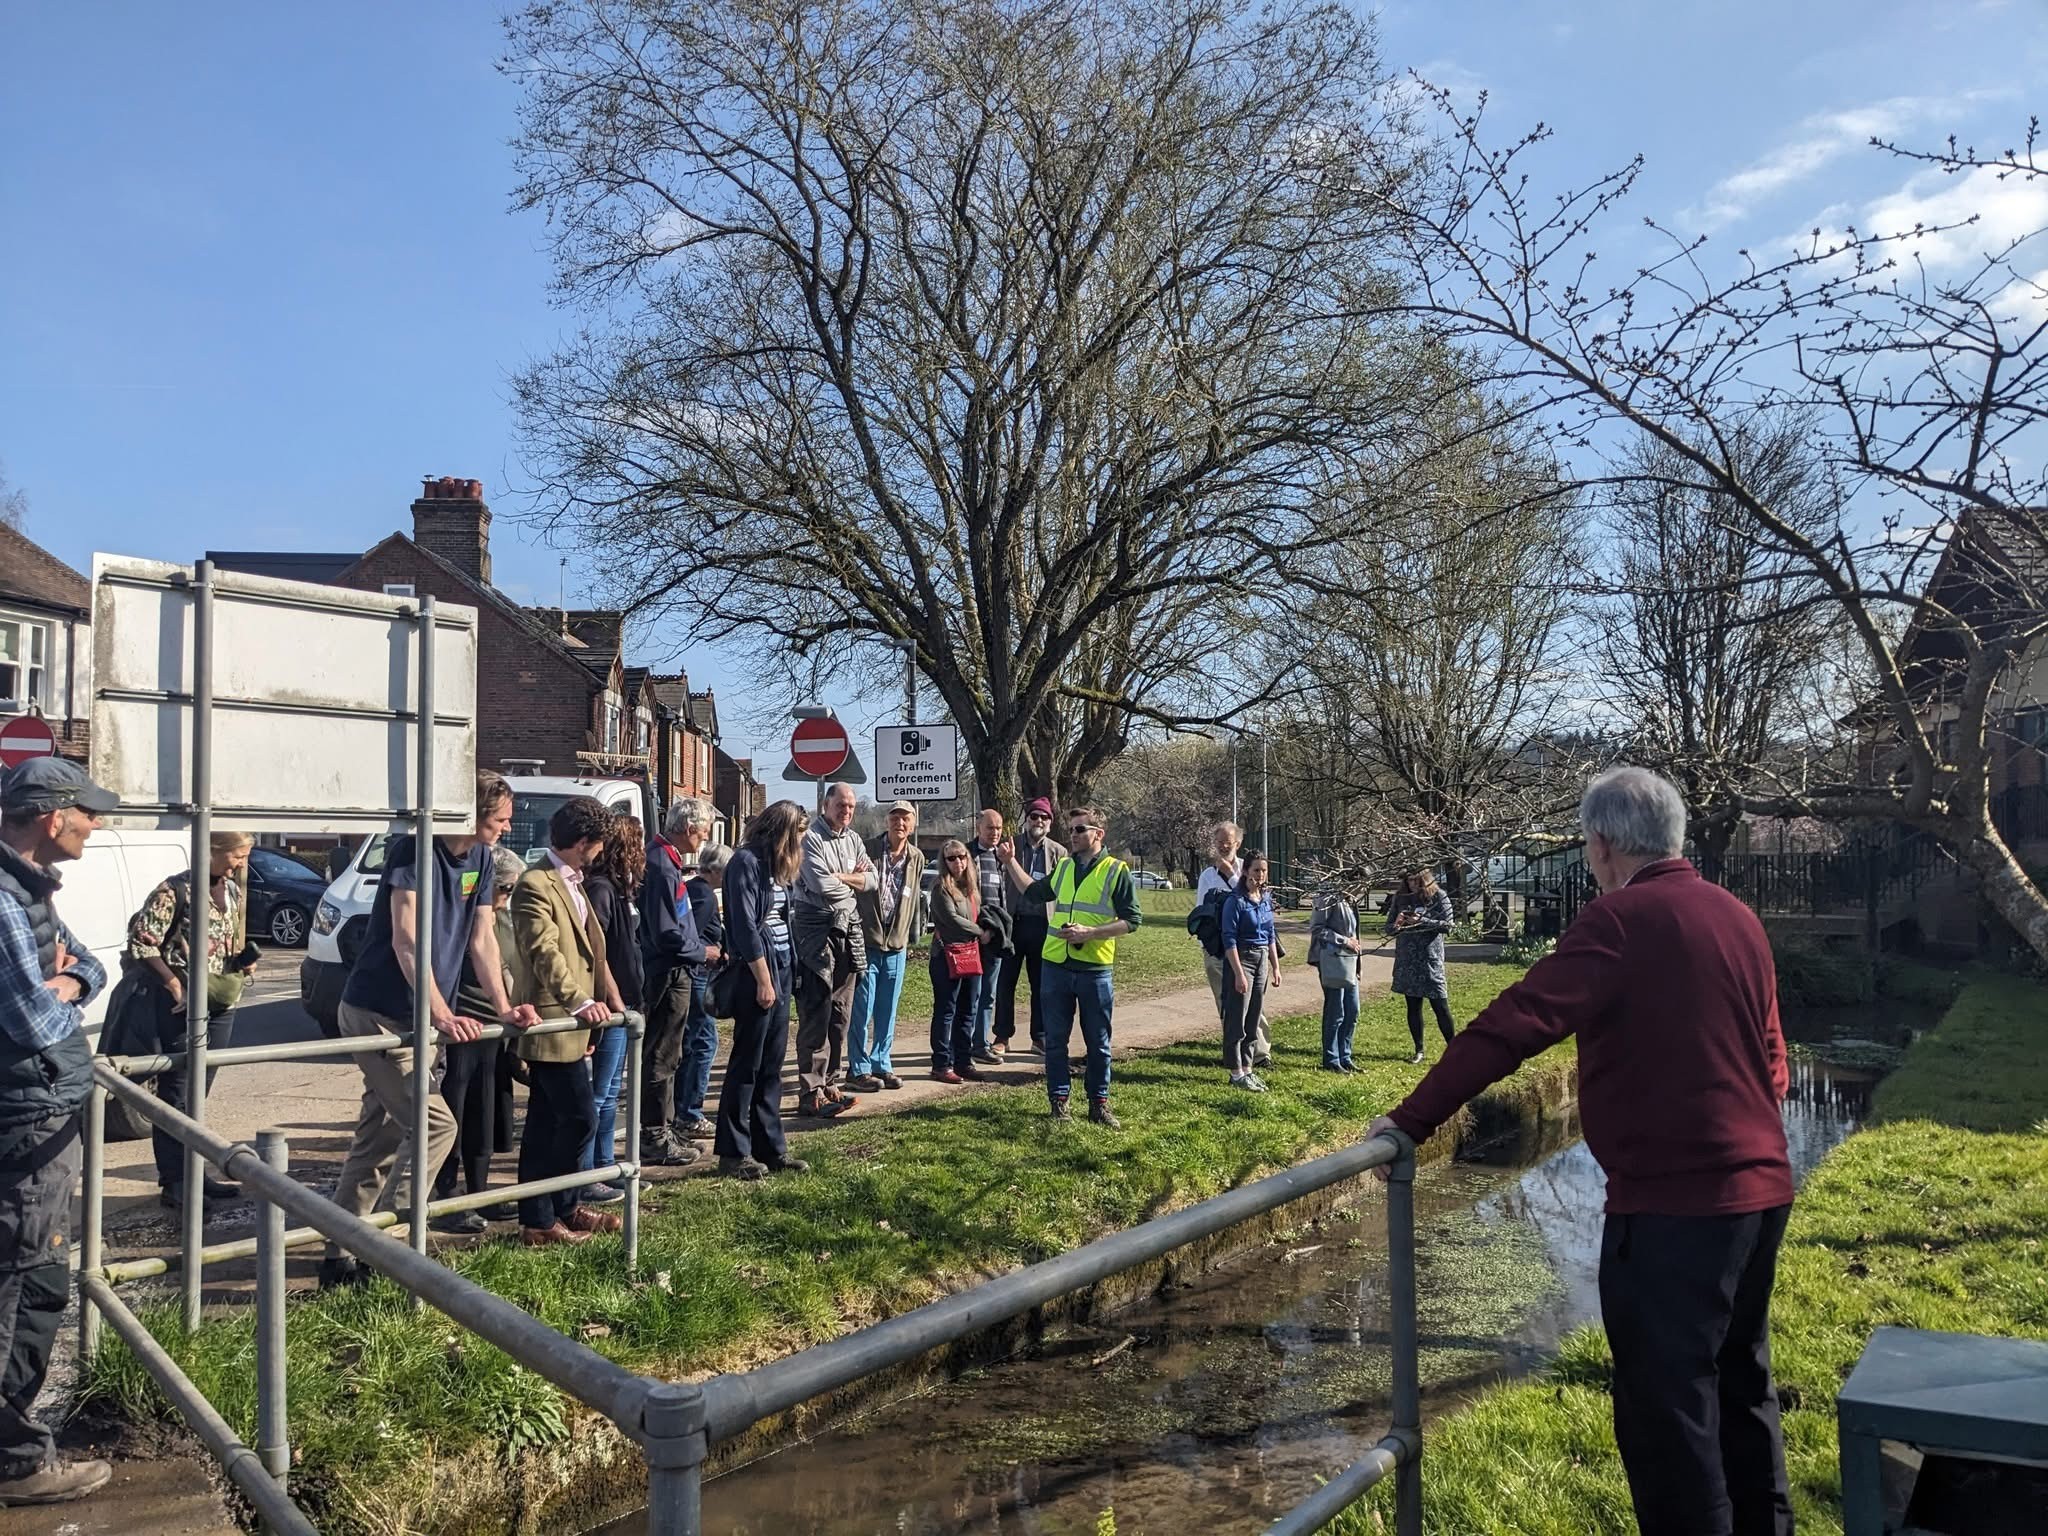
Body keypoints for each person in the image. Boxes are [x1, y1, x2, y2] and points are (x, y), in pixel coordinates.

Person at [1370, 767, 1794, 1536]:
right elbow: (1774, 1058)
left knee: (1669, 1415)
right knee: (1741, 1385)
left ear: (1600, 846)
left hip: (1673, 1207)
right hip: (1761, 1195)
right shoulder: (1737, 915)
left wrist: (1412, 1118)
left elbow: (1514, 1024)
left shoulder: (1621, 921)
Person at [322, 772, 537, 1288]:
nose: (506, 830)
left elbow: (482, 938)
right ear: (468, 813)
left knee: (379, 1139)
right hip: (379, 1010)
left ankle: (338, 1254)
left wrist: (503, 1008)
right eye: (498, 819)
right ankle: (386, 1248)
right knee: (436, 1125)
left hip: (418, 1017)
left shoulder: (483, 860)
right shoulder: (413, 850)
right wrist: (440, 1014)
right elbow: (406, 940)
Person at [0, 758, 115, 1506]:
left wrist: (69, 979)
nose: (95, 826)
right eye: (88, 814)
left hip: (41, 1102)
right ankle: (16, 1462)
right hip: (25, 1114)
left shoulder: (32, 890)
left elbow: (95, 968)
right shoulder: (6, 899)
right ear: (52, 819)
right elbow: (31, 1019)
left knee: (35, 1276)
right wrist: (63, 988)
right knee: (20, 1284)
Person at [507, 797, 625, 1248]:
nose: (600, 855)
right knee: (579, 1118)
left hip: (579, 1025)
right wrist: (577, 1002)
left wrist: (613, 1000)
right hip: (552, 1024)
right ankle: (546, 1212)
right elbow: (544, 952)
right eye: (597, 846)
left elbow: (594, 952)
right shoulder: (536, 884)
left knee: (547, 1120)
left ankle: (556, 1211)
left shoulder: (574, 882)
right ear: (582, 843)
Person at [123, 830, 261, 1211]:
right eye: (236, 855)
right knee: (177, 1094)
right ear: (213, 850)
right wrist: (172, 984)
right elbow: (142, 942)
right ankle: (175, 1182)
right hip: (181, 1008)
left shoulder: (231, 891)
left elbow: (228, 942)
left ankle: (195, 1174)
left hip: (220, 1001)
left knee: (197, 1096)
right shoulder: (174, 890)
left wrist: (242, 960)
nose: (240, 864)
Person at [999, 806, 1141, 1127]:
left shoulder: (1116, 871)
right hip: (1056, 966)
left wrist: (1091, 933)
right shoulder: (1064, 867)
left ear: (1098, 834)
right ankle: (1058, 1103)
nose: (1072, 835)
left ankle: (1098, 1104)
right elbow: (1033, 892)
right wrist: (1010, 861)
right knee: (1056, 1041)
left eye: (1080, 830)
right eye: (1072, 830)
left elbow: (1132, 921)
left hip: (1094, 970)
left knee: (1099, 1043)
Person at [432, 844, 526, 1231]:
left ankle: (481, 1192)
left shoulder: (499, 916)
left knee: (485, 1113)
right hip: (462, 1022)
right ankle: (448, 1196)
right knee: (455, 1109)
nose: (506, 898)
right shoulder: (468, 909)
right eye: (503, 890)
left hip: (492, 1027)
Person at [716, 803, 810, 1180]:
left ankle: (770, 1147)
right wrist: (763, 979)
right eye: (799, 835)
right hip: (758, 971)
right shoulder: (746, 863)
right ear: (784, 832)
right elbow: (744, 926)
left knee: (771, 1064)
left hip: (784, 967)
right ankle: (734, 1151)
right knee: (747, 1064)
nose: (802, 842)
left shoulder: (776, 867)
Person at [638, 798, 716, 1165]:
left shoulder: (666, 859)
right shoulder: (660, 864)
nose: (704, 838)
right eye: (703, 830)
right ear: (688, 828)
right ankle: (654, 1135)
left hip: (675, 968)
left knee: (671, 1053)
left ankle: (664, 1127)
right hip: (668, 971)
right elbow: (667, 930)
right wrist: (702, 952)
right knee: (661, 1055)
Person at [790, 783, 871, 1117]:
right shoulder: (810, 839)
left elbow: (873, 881)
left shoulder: (854, 839)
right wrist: (852, 878)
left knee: (840, 1013)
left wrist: (843, 877)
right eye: (841, 805)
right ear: (825, 805)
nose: (847, 811)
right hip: (815, 932)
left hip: (847, 931)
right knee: (817, 1011)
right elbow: (823, 886)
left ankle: (831, 1084)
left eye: (851, 806)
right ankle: (811, 1092)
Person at [581, 814, 648, 1199]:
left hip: (627, 1002)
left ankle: (606, 1164)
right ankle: (589, 1170)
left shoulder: (624, 891)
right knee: (600, 1092)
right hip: (610, 1007)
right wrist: (614, 999)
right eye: (636, 843)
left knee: (611, 1093)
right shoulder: (602, 891)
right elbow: (597, 952)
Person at [847, 801, 923, 1092]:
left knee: (888, 1010)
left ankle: (882, 1063)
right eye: (895, 818)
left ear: (912, 825)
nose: (899, 824)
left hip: (897, 945)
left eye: (905, 819)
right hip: (868, 941)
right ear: (886, 821)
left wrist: (910, 936)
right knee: (862, 1010)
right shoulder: (866, 849)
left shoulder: (916, 857)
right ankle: (859, 1068)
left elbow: (914, 898)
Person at [1196, 821, 1270, 1067]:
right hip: (1218, 950)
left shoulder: (1249, 869)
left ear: (1238, 843)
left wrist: (1230, 875)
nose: (1222, 845)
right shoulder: (1207, 876)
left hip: (1248, 950)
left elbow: (1252, 894)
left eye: (1227, 841)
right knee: (1226, 1003)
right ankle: (1234, 1056)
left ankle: (1260, 1053)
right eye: (1218, 841)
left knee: (1254, 1003)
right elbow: (1201, 914)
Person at [995, 797, 1064, 1055]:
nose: (1038, 821)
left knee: (1041, 984)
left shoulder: (1059, 852)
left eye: (1044, 818)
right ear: (1026, 819)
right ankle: (1002, 1036)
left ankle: (1040, 1036)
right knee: (1006, 982)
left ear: (1050, 823)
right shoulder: (1010, 846)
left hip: (1044, 925)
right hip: (1014, 923)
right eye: (1034, 816)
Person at [674, 841, 728, 1133]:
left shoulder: (693, 888)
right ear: (719, 870)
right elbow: (689, 935)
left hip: (691, 975)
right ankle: (691, 1113)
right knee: (705, 1042)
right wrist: (710, 951)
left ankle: (682, 1108)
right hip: (697, 976)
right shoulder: (705, 898)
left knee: (690, 1041)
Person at [1220, 850, 1282, 1091]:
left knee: (1254, 1017)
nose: (1260, 875)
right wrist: (1237, 973)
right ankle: (1236, 1073)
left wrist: (1276, 967)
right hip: (1241, 959)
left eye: (1264, 870)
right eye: (1256, 870)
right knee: (1237, 1016)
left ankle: (1248, 1069)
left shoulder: (1265, 899)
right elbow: (1229, 939)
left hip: (1262, 960)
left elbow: (1270, 935)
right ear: (1245, 871)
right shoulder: (1235, 901)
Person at [926, 839, 985, 1084]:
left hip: (970, 954)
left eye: (961, 856)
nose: (957, 862)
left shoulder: (970, 886)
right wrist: (981, 931)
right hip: (946, 956)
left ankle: (963, 1061)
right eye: (951, 858)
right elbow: (951, 919)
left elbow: (977, 913)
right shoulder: (940, 887)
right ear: (944, 861)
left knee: (968, 1010)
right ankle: (941, 1063)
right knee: (946, 1010)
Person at [1390, 868, 1456, 1064]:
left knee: (1440, 1006)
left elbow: (1448, 925)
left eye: (1416, 880)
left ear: (1425, 879)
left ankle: (1455, 1050)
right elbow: (1389, 928)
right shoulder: (1401, 898)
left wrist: (1423, 920)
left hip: (1430, 960)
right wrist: (1397, 924)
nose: (1412, 884)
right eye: (1409, 880)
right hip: (1408, 959)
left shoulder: (1438, 896)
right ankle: (1419, 1049)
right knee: (1413, 1006)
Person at [1307, 887, 1366, 1072]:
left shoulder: (1351, 900)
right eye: (1361, 884)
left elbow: (1356, 934)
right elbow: (1317, 929)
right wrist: (1343, 941)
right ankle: (1331, 1059)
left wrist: (1358, 966)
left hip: (1349, 963)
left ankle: (1345, 1055)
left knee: (1352, 1009)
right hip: (1332, 962)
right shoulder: (1328, 898)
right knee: (1336, 1010)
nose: (1363, 889)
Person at [965, 808, 1008, 1061]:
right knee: (970, 993)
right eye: (990, 828)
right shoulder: (966, 855)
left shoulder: (1003, 857)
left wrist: (997, 930)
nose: (995, 833)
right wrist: (979, 929)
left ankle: (981, 1044)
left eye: (999, 828)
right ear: (978, 827)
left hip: (997, 936)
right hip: (973, 936)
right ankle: (963, 1044)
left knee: (989, 993)